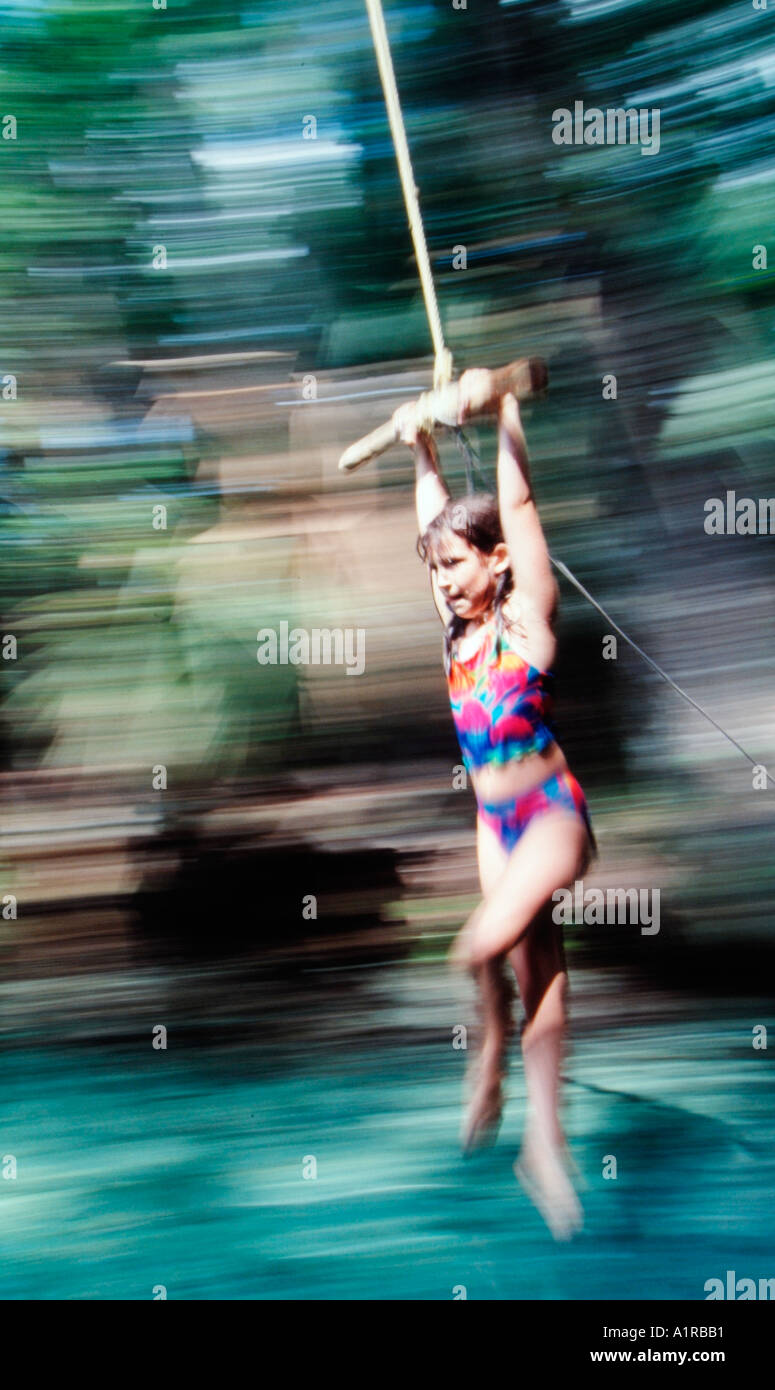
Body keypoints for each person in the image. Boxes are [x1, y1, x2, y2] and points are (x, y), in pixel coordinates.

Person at [393, 370, 596, 1240]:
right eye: (434, 571)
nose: (440, 581)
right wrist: (420, 443)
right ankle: (542, 1143)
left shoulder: (526, 623)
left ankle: (488, 1058)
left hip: (550, 814)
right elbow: (431, 519)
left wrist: (505, 402)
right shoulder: (455, 630)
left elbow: (515, 507)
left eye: (456, 565)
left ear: (498, 564)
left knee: (478, 942)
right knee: (532, 967)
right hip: (491, 825)